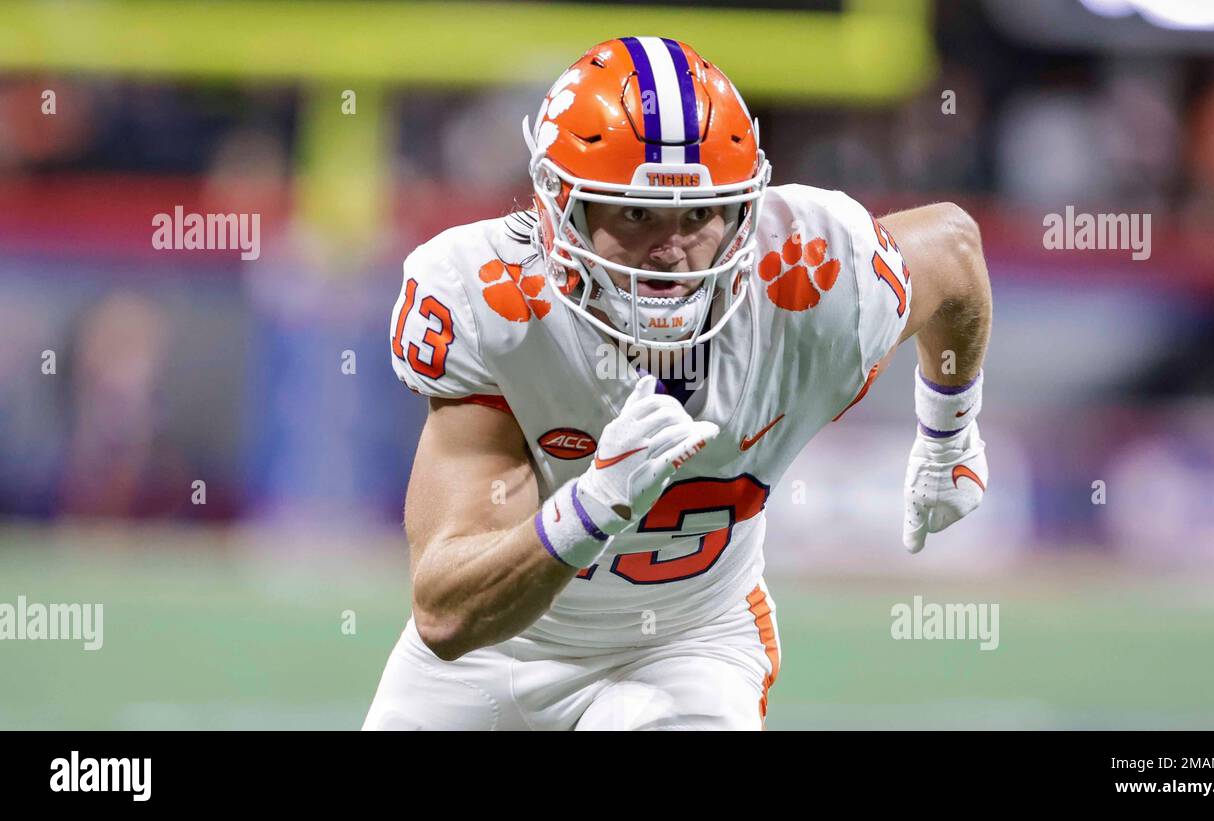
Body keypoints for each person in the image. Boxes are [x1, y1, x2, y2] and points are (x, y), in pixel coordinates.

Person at [365, 36, 991, 730]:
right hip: (508, 648)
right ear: (560, 214)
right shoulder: (493, 302)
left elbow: (956, 252)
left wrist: (948, 432)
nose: (672, 251)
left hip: (693, 643)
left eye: (699, 214)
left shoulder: (811, 273)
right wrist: (593, 504)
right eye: (635, 214)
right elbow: (447, 613)